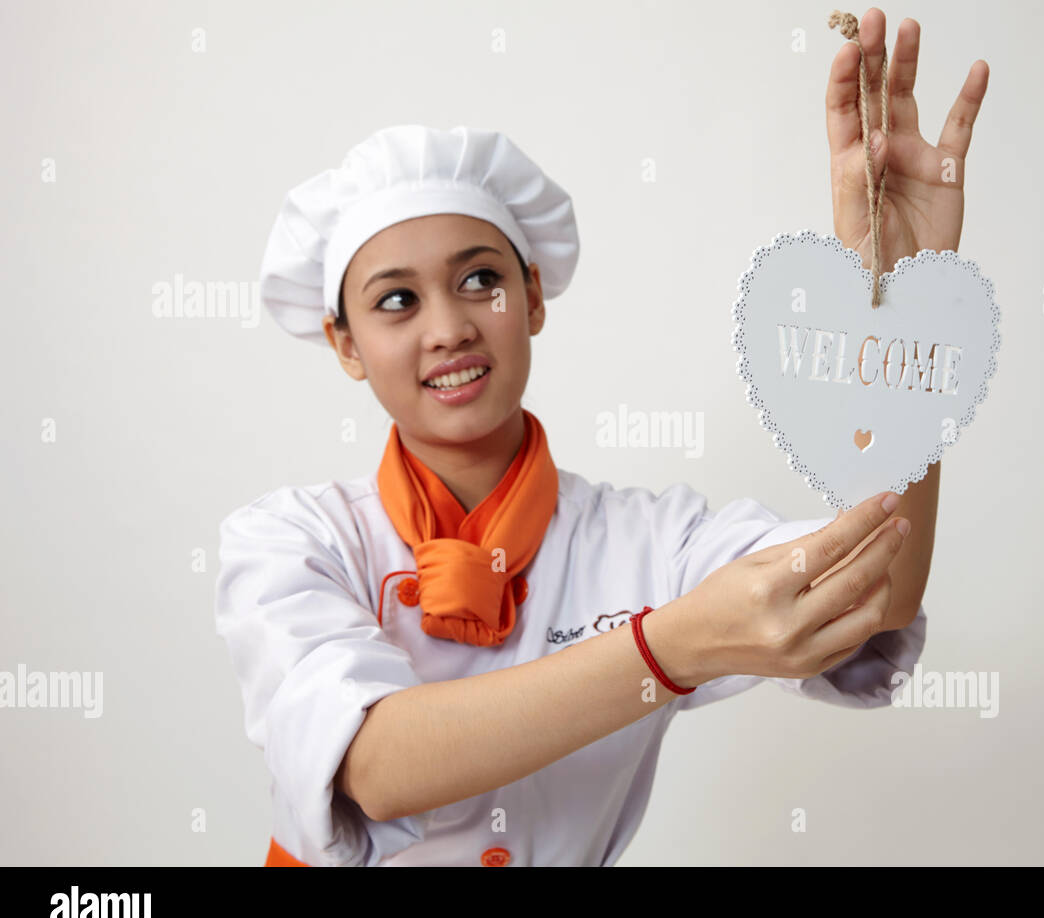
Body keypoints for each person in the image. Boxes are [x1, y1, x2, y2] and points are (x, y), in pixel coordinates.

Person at [214, 11, 984, 867]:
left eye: (480, 280)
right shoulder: (292, 542)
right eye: (396, 300)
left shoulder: (651, 543)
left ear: (533, 298)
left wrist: (903, 313)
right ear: (346, 344)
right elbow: (375, 766)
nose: (447, 329)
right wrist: (670, 647)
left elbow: (871, 589)